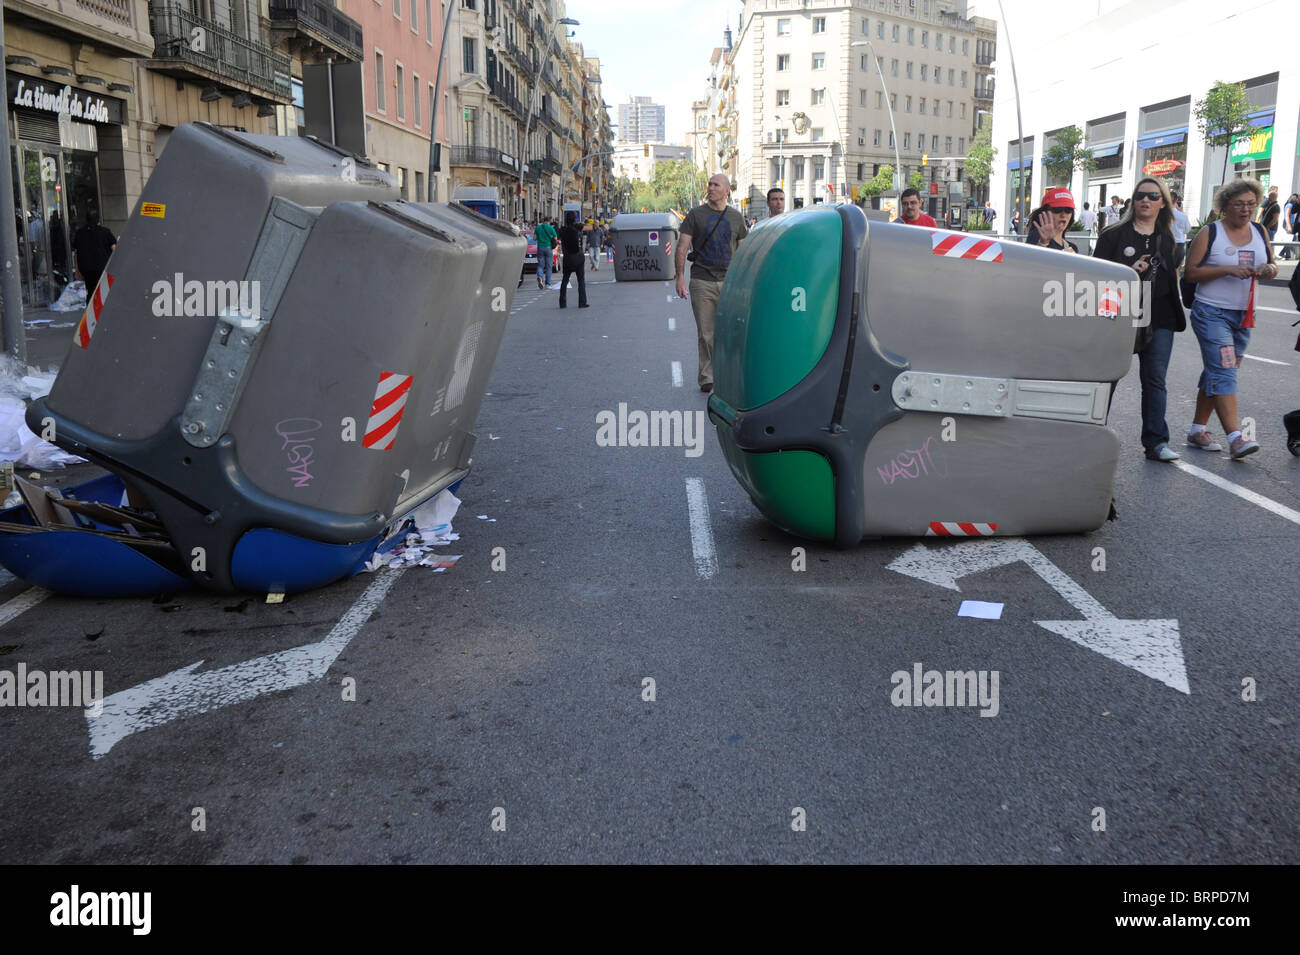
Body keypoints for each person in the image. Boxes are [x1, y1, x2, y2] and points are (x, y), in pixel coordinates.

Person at [1183, 177, 1277, 459]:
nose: (1246, 209)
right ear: (1225, 206)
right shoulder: (1211, 232)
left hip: (1245, 314)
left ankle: (1197, 429)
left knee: (1217, 370)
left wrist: (1269, 270)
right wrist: (1227, 270)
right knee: (1224, 369)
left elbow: (1271, 263)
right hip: (1211, 312)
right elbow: (1190, 273)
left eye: (1252, 204)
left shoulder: (1260, 231)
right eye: (1240, 204)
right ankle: (1236, 437)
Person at [1093, 177, 1186, 462]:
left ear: (1163, 204)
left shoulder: (1167, 238)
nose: (1146, 200)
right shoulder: (1112, 235)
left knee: (1155, 380)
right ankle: (1091, 433)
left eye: (1153, 196)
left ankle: (1156, 443)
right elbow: (1097, 278)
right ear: (1133, 201)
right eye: (1141, 195)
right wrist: (1127, 272)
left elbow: (1173, 278)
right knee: (1108, 377)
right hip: (1121, 315)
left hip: (1159, 316)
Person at [675, 173, 748, 393]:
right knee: (706, 333)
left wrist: (744, 282)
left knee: (731, 332)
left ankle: (729, 374)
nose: (711, 188)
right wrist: (680, 277)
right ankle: (707, 377)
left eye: (716, 185)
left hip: (730, 282)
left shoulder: (736, 218)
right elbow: (681, 248)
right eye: (710, 184)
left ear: (727, 190)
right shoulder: (695, 215)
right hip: (702, 281)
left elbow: (743, 251)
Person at [72, 210, 115, 293]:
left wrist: (77, 271)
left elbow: (76, 252)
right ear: (98, 220)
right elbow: (114, 248)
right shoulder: (105, 232)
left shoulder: (80, 233)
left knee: (90, 290)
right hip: (102, 267)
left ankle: (90, 304)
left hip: (86, 269)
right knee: (103, 291)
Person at [1024, 188, 1079, 252]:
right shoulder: (1037, 235)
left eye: (1068, 210)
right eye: (1057, 210)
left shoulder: (1072, 248)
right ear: (1045, 212)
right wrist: (1043, 243)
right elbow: (1028, 259)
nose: (1063, 215)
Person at [557, 210, 588, 309]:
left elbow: (558, 237)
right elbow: (587, 227)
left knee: (565, 280)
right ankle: (582, 302)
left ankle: (562, 303)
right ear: (575, 219)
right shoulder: (577, 227)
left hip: (567, 258)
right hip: (578, 257)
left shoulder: (562, 230)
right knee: (581, 280)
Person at [1169, 192, 1190, 271]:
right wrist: (1181, 212)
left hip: (1165, 244)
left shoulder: (1161, 214)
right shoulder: (1183, 216)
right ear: (1177, 200)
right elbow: (1187, 230)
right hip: (1179, 245)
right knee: (1176, 271)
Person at [534, 216, 556, 289]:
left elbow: (534, 238)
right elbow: (555, 238)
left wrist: (540, 237)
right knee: (549, 267)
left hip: (540, 248)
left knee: (540, 265)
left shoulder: (538, 228)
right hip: (548, 248)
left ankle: (540, 277)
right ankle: (548, 284)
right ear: (549, 221)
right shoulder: (551, 228)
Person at [1259, 185, 1281, 257]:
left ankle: (1270, 256)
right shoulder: (1269, 204)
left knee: (1270, 242)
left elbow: (1275, 219)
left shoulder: (1276, 206)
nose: (1269, 197)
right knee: (1266, 242)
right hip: (1266, 227)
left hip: (1270, 228)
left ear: (1273, 197)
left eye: (1270, 196)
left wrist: (1267, 227)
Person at [1281, 193, 1299, 260]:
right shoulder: (1290, 205)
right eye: (1297, 198)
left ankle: (1282, 253)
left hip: (1289, 223)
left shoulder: (1289, 205)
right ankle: (1287, 255)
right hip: (1288, 224)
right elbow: (1287, 215)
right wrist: (1289, 226)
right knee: (1289, 240)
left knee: (1291, 239)